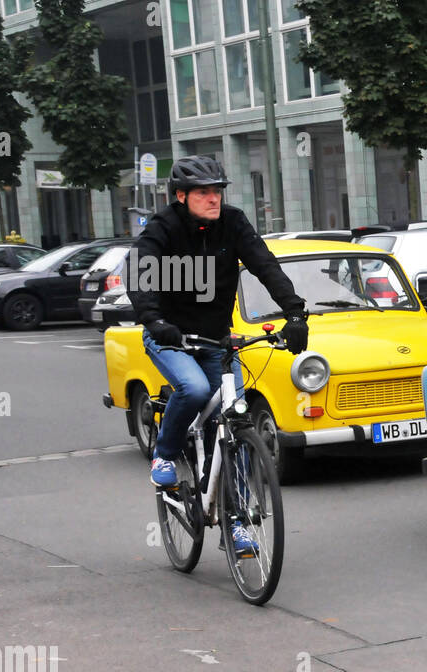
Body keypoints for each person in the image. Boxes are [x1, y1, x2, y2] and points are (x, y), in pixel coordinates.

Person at [131, 155, 309, 555]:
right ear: (181, 196)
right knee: (193, 389)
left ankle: (237, 521)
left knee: (234, 419)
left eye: (217, 191)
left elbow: (265, 265)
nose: (213, 199)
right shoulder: (163, 228)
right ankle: (164, 456)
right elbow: (141, 277)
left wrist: (295, 311)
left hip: (217, 339)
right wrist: (154, 320)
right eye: (203, 192)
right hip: (170, 337)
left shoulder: (233, 222)